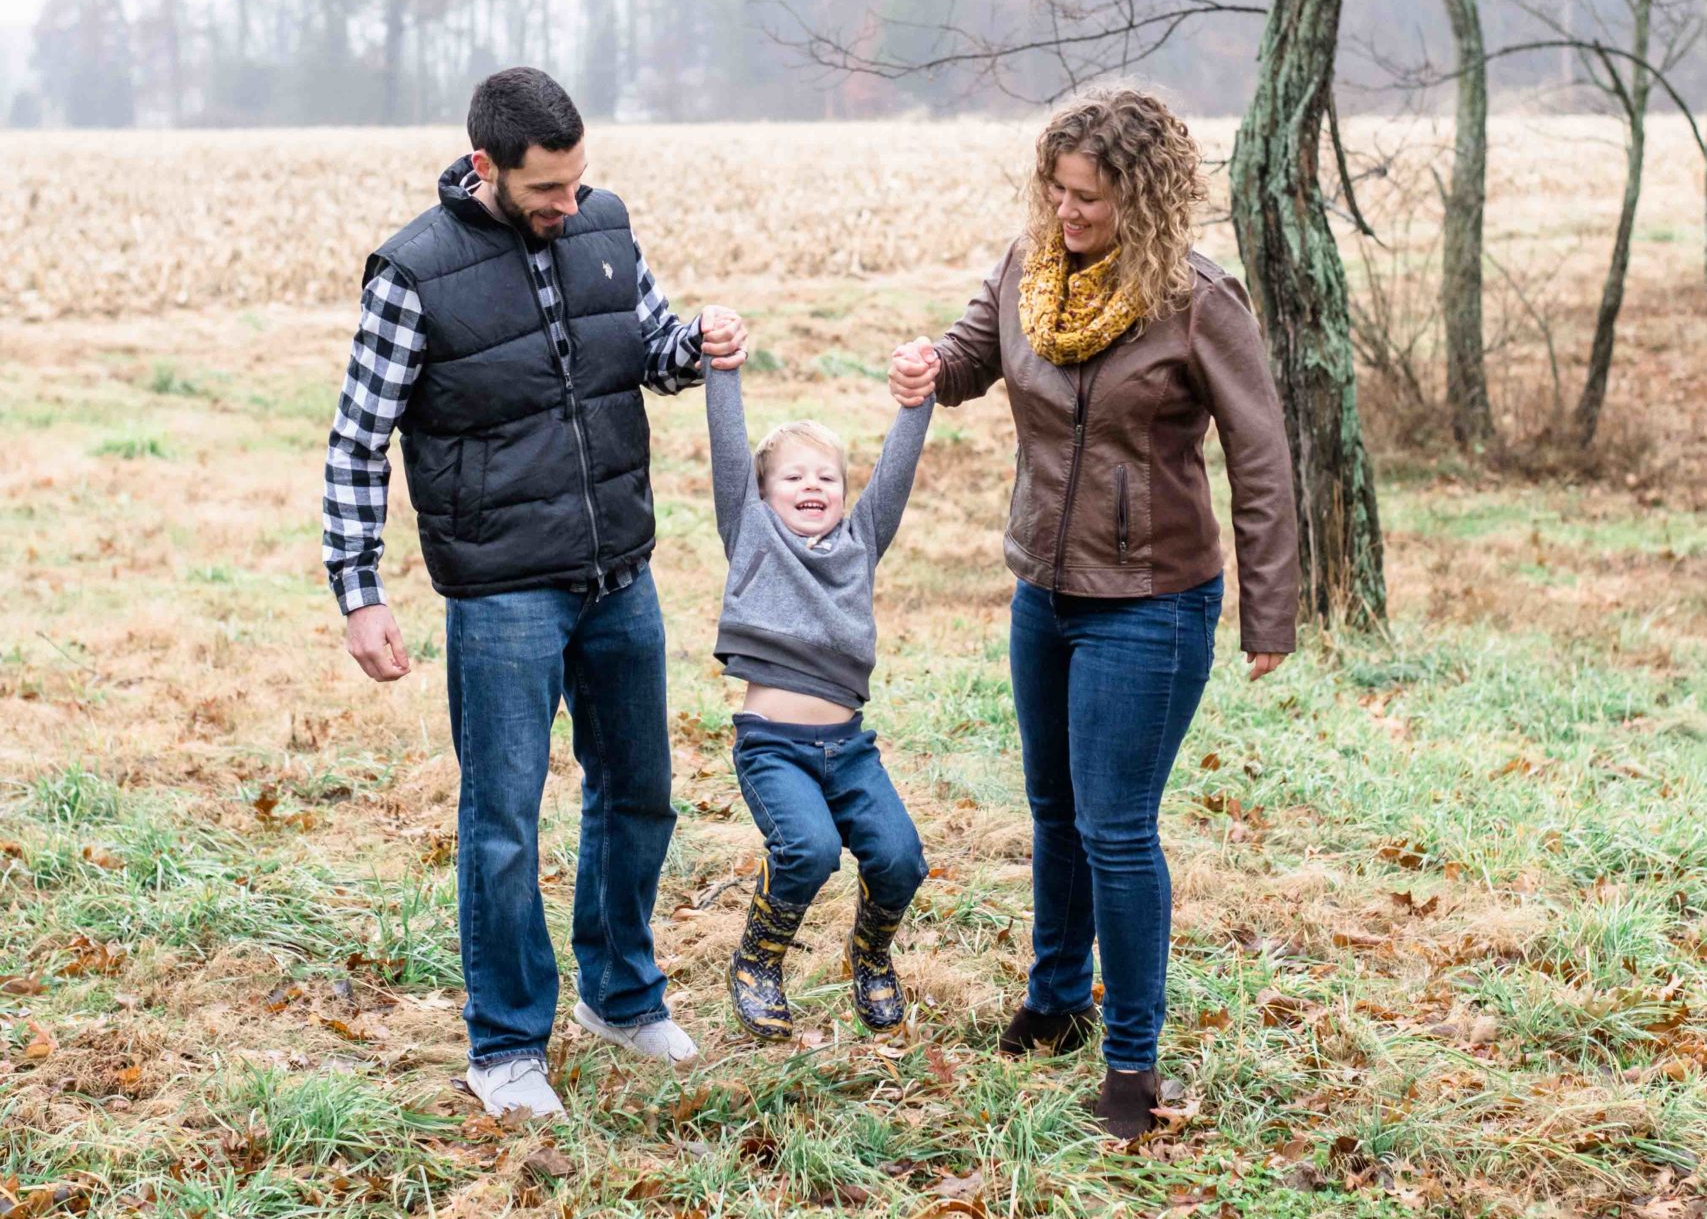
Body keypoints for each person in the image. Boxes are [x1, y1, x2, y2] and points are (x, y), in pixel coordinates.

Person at [322, 66, 748, 1120]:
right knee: (504, 821)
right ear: (486, 168)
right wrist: (359, 588)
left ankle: (622, 996)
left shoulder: (604, 227)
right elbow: (357, 440)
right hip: (503, 591)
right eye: (548, 189)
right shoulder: (413, 274)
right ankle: (507, 1046)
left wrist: (697, 343)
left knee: (639, 795)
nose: (569, 205)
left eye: (578, 182)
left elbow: (645, 345)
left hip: (620, 576)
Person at [889, 88, 1297, 1143]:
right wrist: (931, 365)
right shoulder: (1028, 274)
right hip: (1046, 587)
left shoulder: (1198, 301)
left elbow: (1260, 459)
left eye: (1094, 199)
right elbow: (972, 359)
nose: (1070, 213)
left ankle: (1131, 1062)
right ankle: (1057, 997)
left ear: (1145, 199)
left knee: (1117, 828)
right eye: (1060, 191)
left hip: (1154, 602)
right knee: (1054, 811)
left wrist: (1268, 610)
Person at [704, 362, 933, 1040]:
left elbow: (894, 473)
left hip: (848, 748)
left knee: (900, 858)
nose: (812, 486)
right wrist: (723, 369)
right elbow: (727, 447)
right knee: (807, 849)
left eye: (826, 477)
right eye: (794, 477)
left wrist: (916, 403)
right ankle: (758, 961)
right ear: (762, 491)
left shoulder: (858, 545)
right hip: (773, 745)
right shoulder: (750, 534)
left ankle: (869, 957)